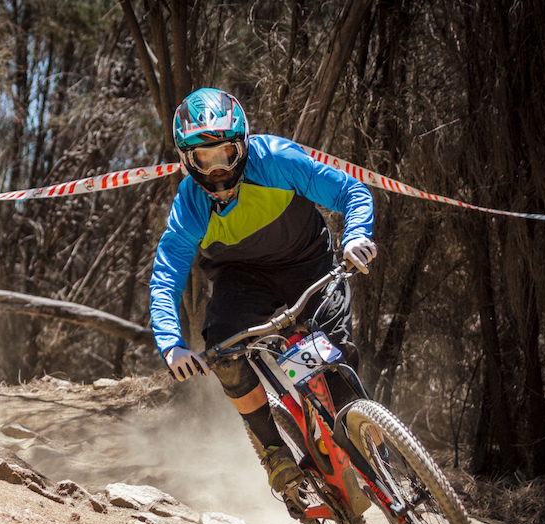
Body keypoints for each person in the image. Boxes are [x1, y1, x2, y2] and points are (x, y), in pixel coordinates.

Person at [149, 87, 376, 493]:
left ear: (244, 146)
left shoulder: (277, 159)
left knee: (338, 365)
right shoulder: (190, 205)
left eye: (226, 154)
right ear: (187, 160)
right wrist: (172, 344)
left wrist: (356, 235)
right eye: (204, 158)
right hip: (243, 279)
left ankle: (373, 449)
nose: (217, 170)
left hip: (308, 264)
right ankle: (273, 449)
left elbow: (351, 190)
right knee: (222, 350)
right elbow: (166, 276)